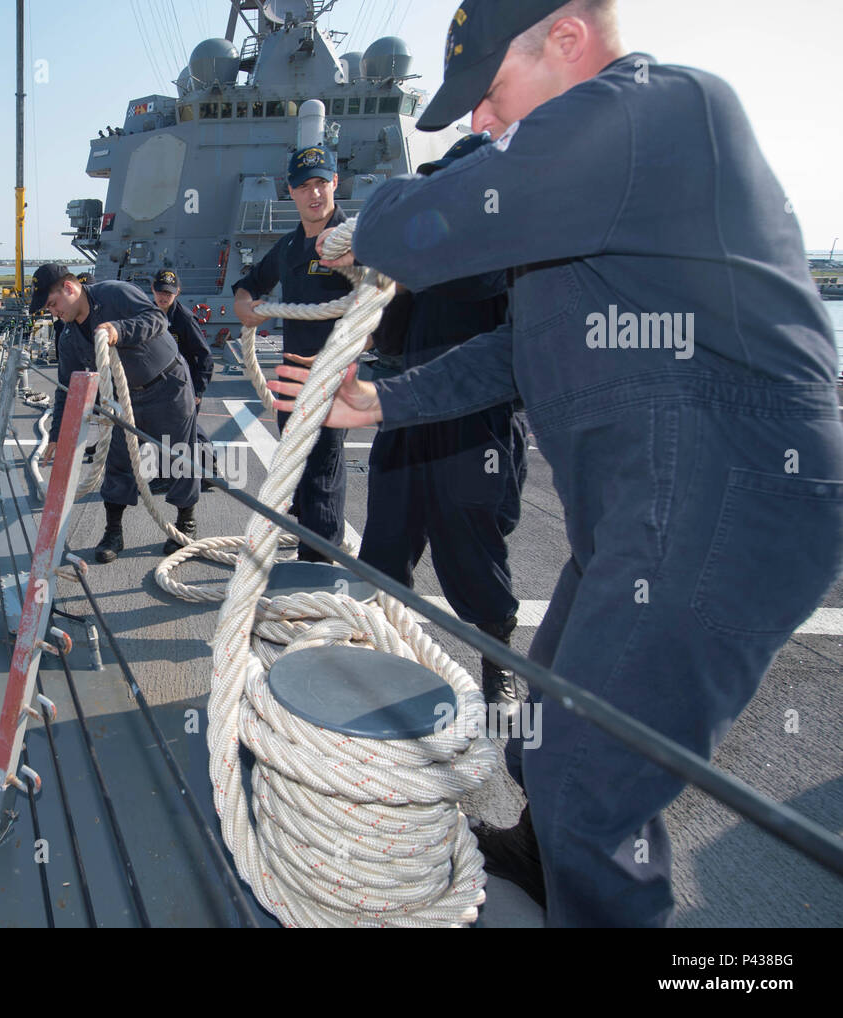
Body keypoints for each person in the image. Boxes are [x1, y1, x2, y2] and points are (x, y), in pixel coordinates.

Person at [271, 0, 843, 927]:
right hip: (644, 505)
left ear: (568, 39)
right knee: (545, 726)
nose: (481, 121)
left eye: (489, 94)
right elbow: (519, 349)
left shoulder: (659, 109)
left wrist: (355, 227)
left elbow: (433, 225)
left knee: (590, 774)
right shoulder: (590, 199)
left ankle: (592, 882)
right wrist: (383, 399)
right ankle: (547, 859)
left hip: (727, 499)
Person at [360, 133, 528, 719]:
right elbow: (392, 336)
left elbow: (480, 287)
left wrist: (414, 265)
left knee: (471, 546)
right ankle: (384, 653)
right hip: (407, 409)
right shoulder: (421, 253)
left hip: (470, 420)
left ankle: (498, 662)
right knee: (384, 539)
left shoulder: (505, 245)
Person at [233, 142, 352, 561]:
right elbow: (250, 284)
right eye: (305, 186)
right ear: (291, 191)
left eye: (321, 183)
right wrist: (246, 305)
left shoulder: (353, 241)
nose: (314, 194)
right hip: (291, 378)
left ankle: (319, 568)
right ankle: (309, 537)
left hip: (333, 378)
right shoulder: (287, 250)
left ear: (335, 182)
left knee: (322, 472)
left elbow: (385, 298)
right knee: (295, 466)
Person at [34, 263, 200, 561]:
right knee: (117, 461)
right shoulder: (69, 339)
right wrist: (57, 436)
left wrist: (118, 330)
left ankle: (185, 519)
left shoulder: (115, 294)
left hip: (168, 388)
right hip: (124, 402)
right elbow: (66, 389)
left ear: (69, 289)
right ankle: (113, 530)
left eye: (53, 304)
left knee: (180, 455)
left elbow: (156, 320)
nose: (53, 312)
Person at [150, 269, 217, 491]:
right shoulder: (149, 314)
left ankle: (208, 472)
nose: (163, 297)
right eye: (160, 292)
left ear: (177, 292)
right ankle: (204, 473)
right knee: (168, 430)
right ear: (153, 289)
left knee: (186, 431)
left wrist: (198, 390)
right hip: (160, 384)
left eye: (168, 293)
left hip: (184, 385)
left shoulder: (184, 319)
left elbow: (205, 355)